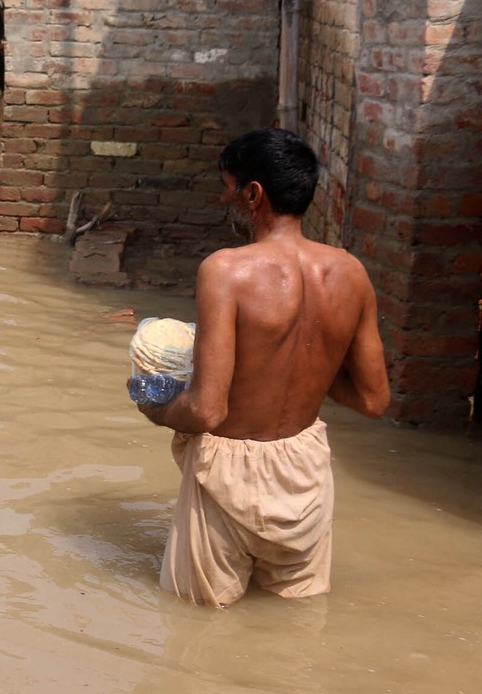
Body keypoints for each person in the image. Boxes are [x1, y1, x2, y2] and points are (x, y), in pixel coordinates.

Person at [133, 128, 391, 606]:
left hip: (228, 468)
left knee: (194, 631)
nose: (223, 199)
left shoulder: (226, 271)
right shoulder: (351, 272)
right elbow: (375, 400)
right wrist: (309, 363)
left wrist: (154, 402)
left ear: (253, 194)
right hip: (306, 469)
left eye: (227, 187)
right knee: (297, 625)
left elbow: (207, 411)